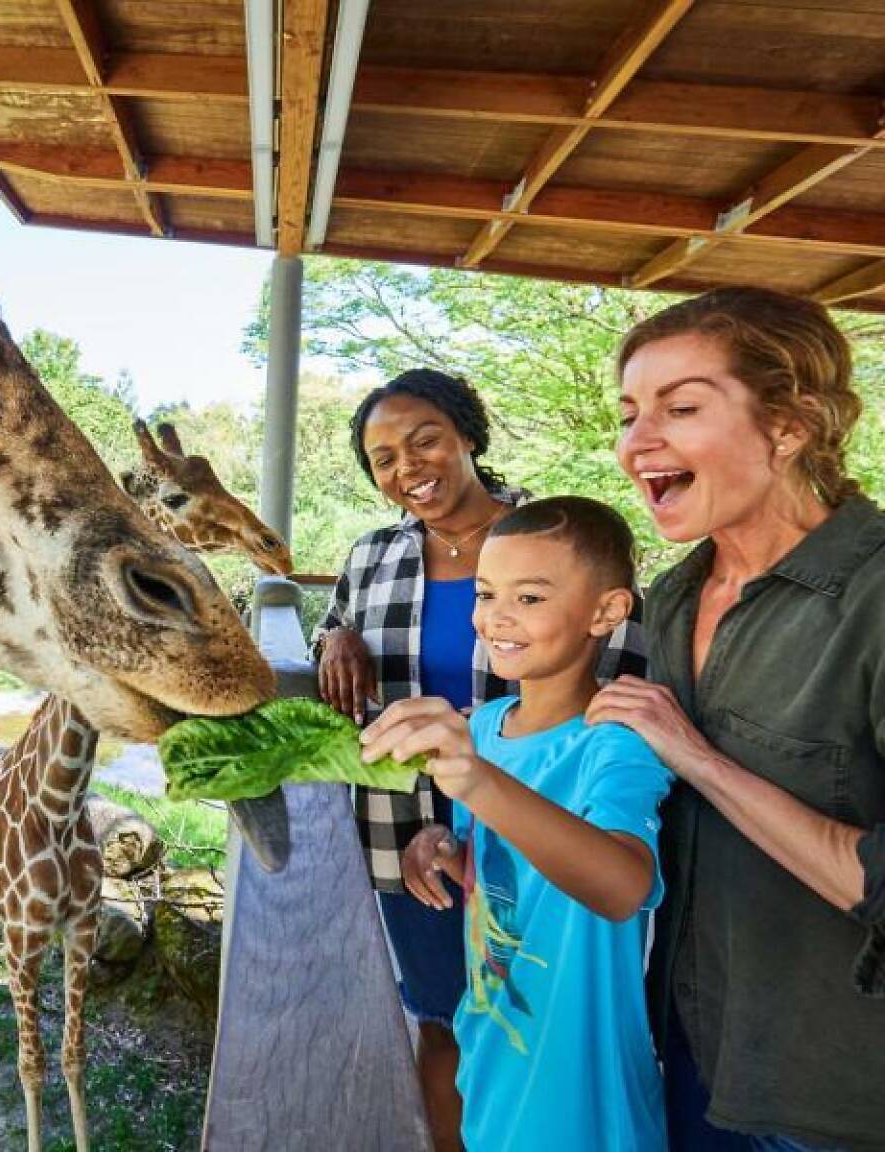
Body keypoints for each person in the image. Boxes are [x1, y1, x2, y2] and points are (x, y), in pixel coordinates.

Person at [311, 370, 642, 1150]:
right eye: (383, 458)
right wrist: (336, 637)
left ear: (467, 434)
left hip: (541, 832)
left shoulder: (551, 538)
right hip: (410, 835)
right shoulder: (373, 555)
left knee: (543, 1021)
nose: (407, 467)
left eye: (424, 439)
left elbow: (624, 675)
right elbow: (332, 622)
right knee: (443, 1018)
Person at [587, 286, 885, 1151]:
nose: (637, 442)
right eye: (630, 414)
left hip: (833, 1101)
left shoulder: (872, 598)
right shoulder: (676, 595)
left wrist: (702, 760)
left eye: (680, 408)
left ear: (788, 427)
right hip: (693, 1050)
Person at [366, 496, 671, 1152]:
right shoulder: (484, 727)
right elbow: (505, 878)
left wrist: (476, 780)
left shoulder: (617, 743)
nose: (496, 617)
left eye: (529, 597)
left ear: (607, 612)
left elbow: (622, 887)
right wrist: (445, 848)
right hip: (493, 1045)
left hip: (578, 1083)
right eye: (485, 594)